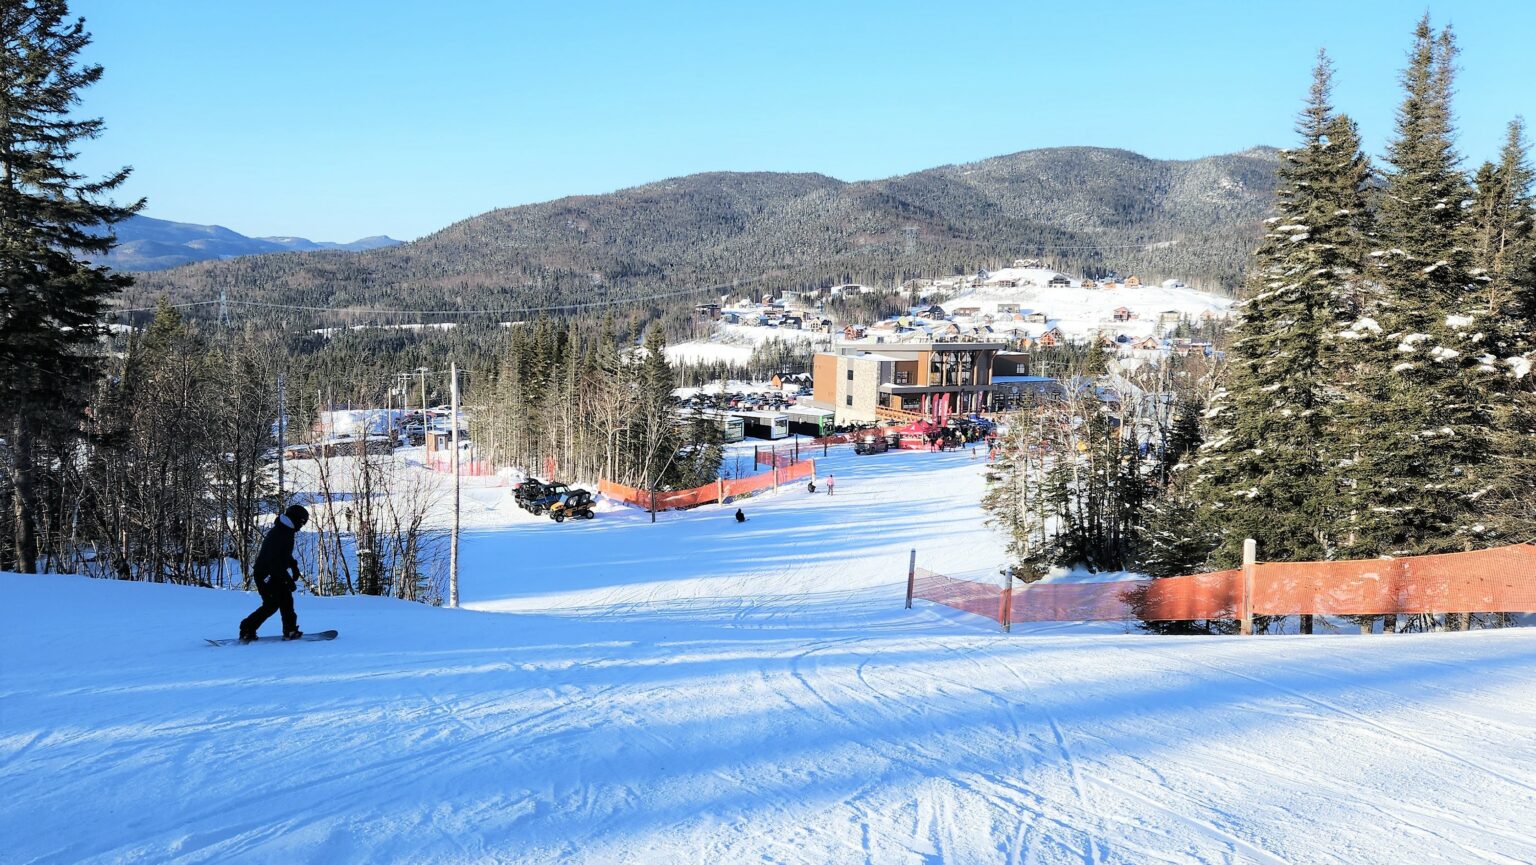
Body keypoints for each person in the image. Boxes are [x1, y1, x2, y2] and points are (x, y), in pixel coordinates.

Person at [238, 504, 310, 642]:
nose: (301, 527)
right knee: (271, 604)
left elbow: (282, 555)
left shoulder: (286, 531)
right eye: (302, 523)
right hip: (265, 574)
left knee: (287, 601)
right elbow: (273, 561)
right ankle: (247, 628)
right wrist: (288, 579)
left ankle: (290, 630)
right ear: (296, 519)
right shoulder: (280, 533)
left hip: (275, 573)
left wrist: (293, 565)